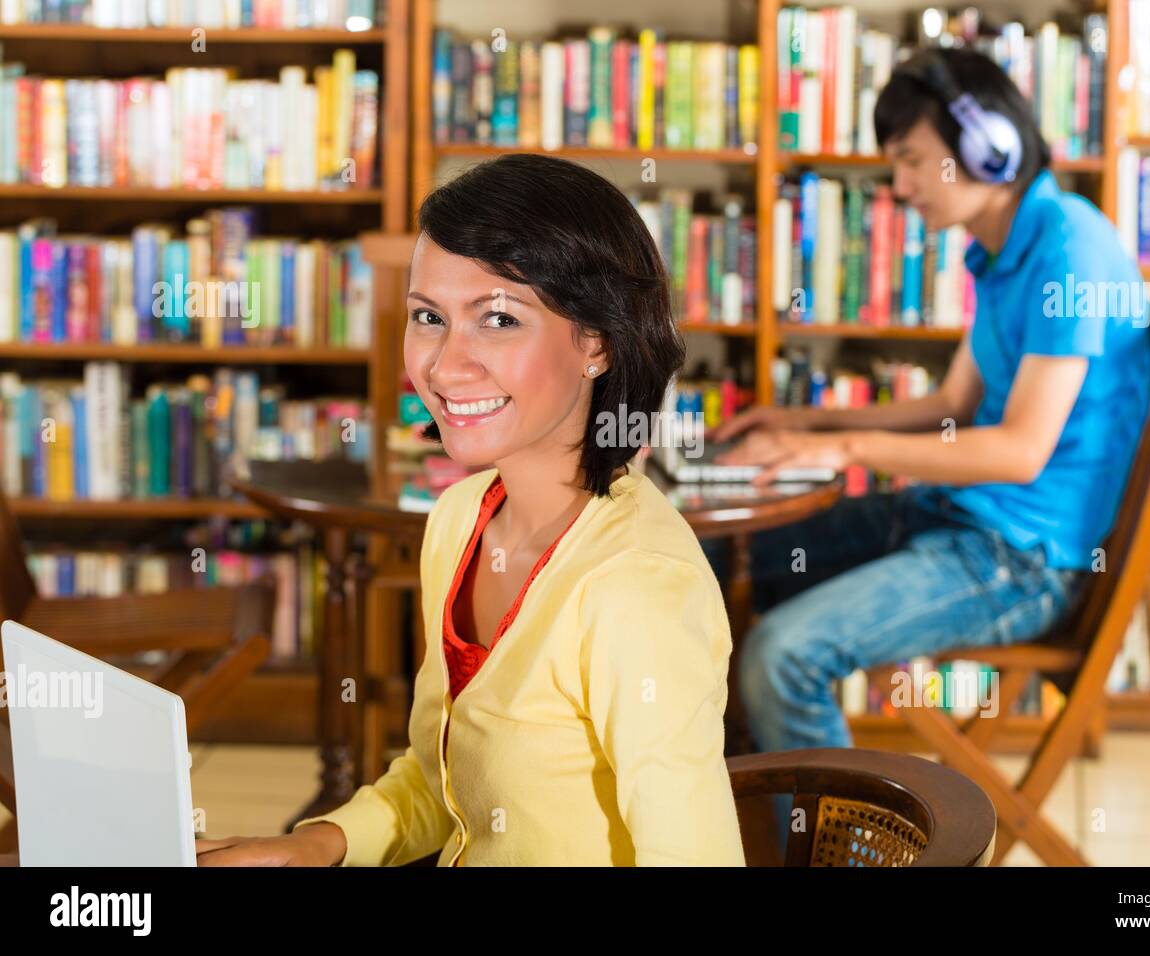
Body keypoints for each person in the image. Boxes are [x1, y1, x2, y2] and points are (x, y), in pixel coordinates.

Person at [196, 154, 745, 866]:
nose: (446, 365)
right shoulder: (459, 520)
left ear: (597, 342)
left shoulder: (637, 589)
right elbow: (441, 778)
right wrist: (318, 845)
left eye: (497, 320)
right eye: (429, 317)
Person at [704, 47, 1150, 759]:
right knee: (704, 562)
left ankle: (830, 844)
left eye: (913, 159)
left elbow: (1017, 450)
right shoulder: (1000, 248)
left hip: (1024, 562)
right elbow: (950, 401)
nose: (901, 186)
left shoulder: (1073, 249)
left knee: (781, 656)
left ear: (989, 144)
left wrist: (845, 449)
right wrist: (809, 420)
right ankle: (744, 810)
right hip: (958, 519)